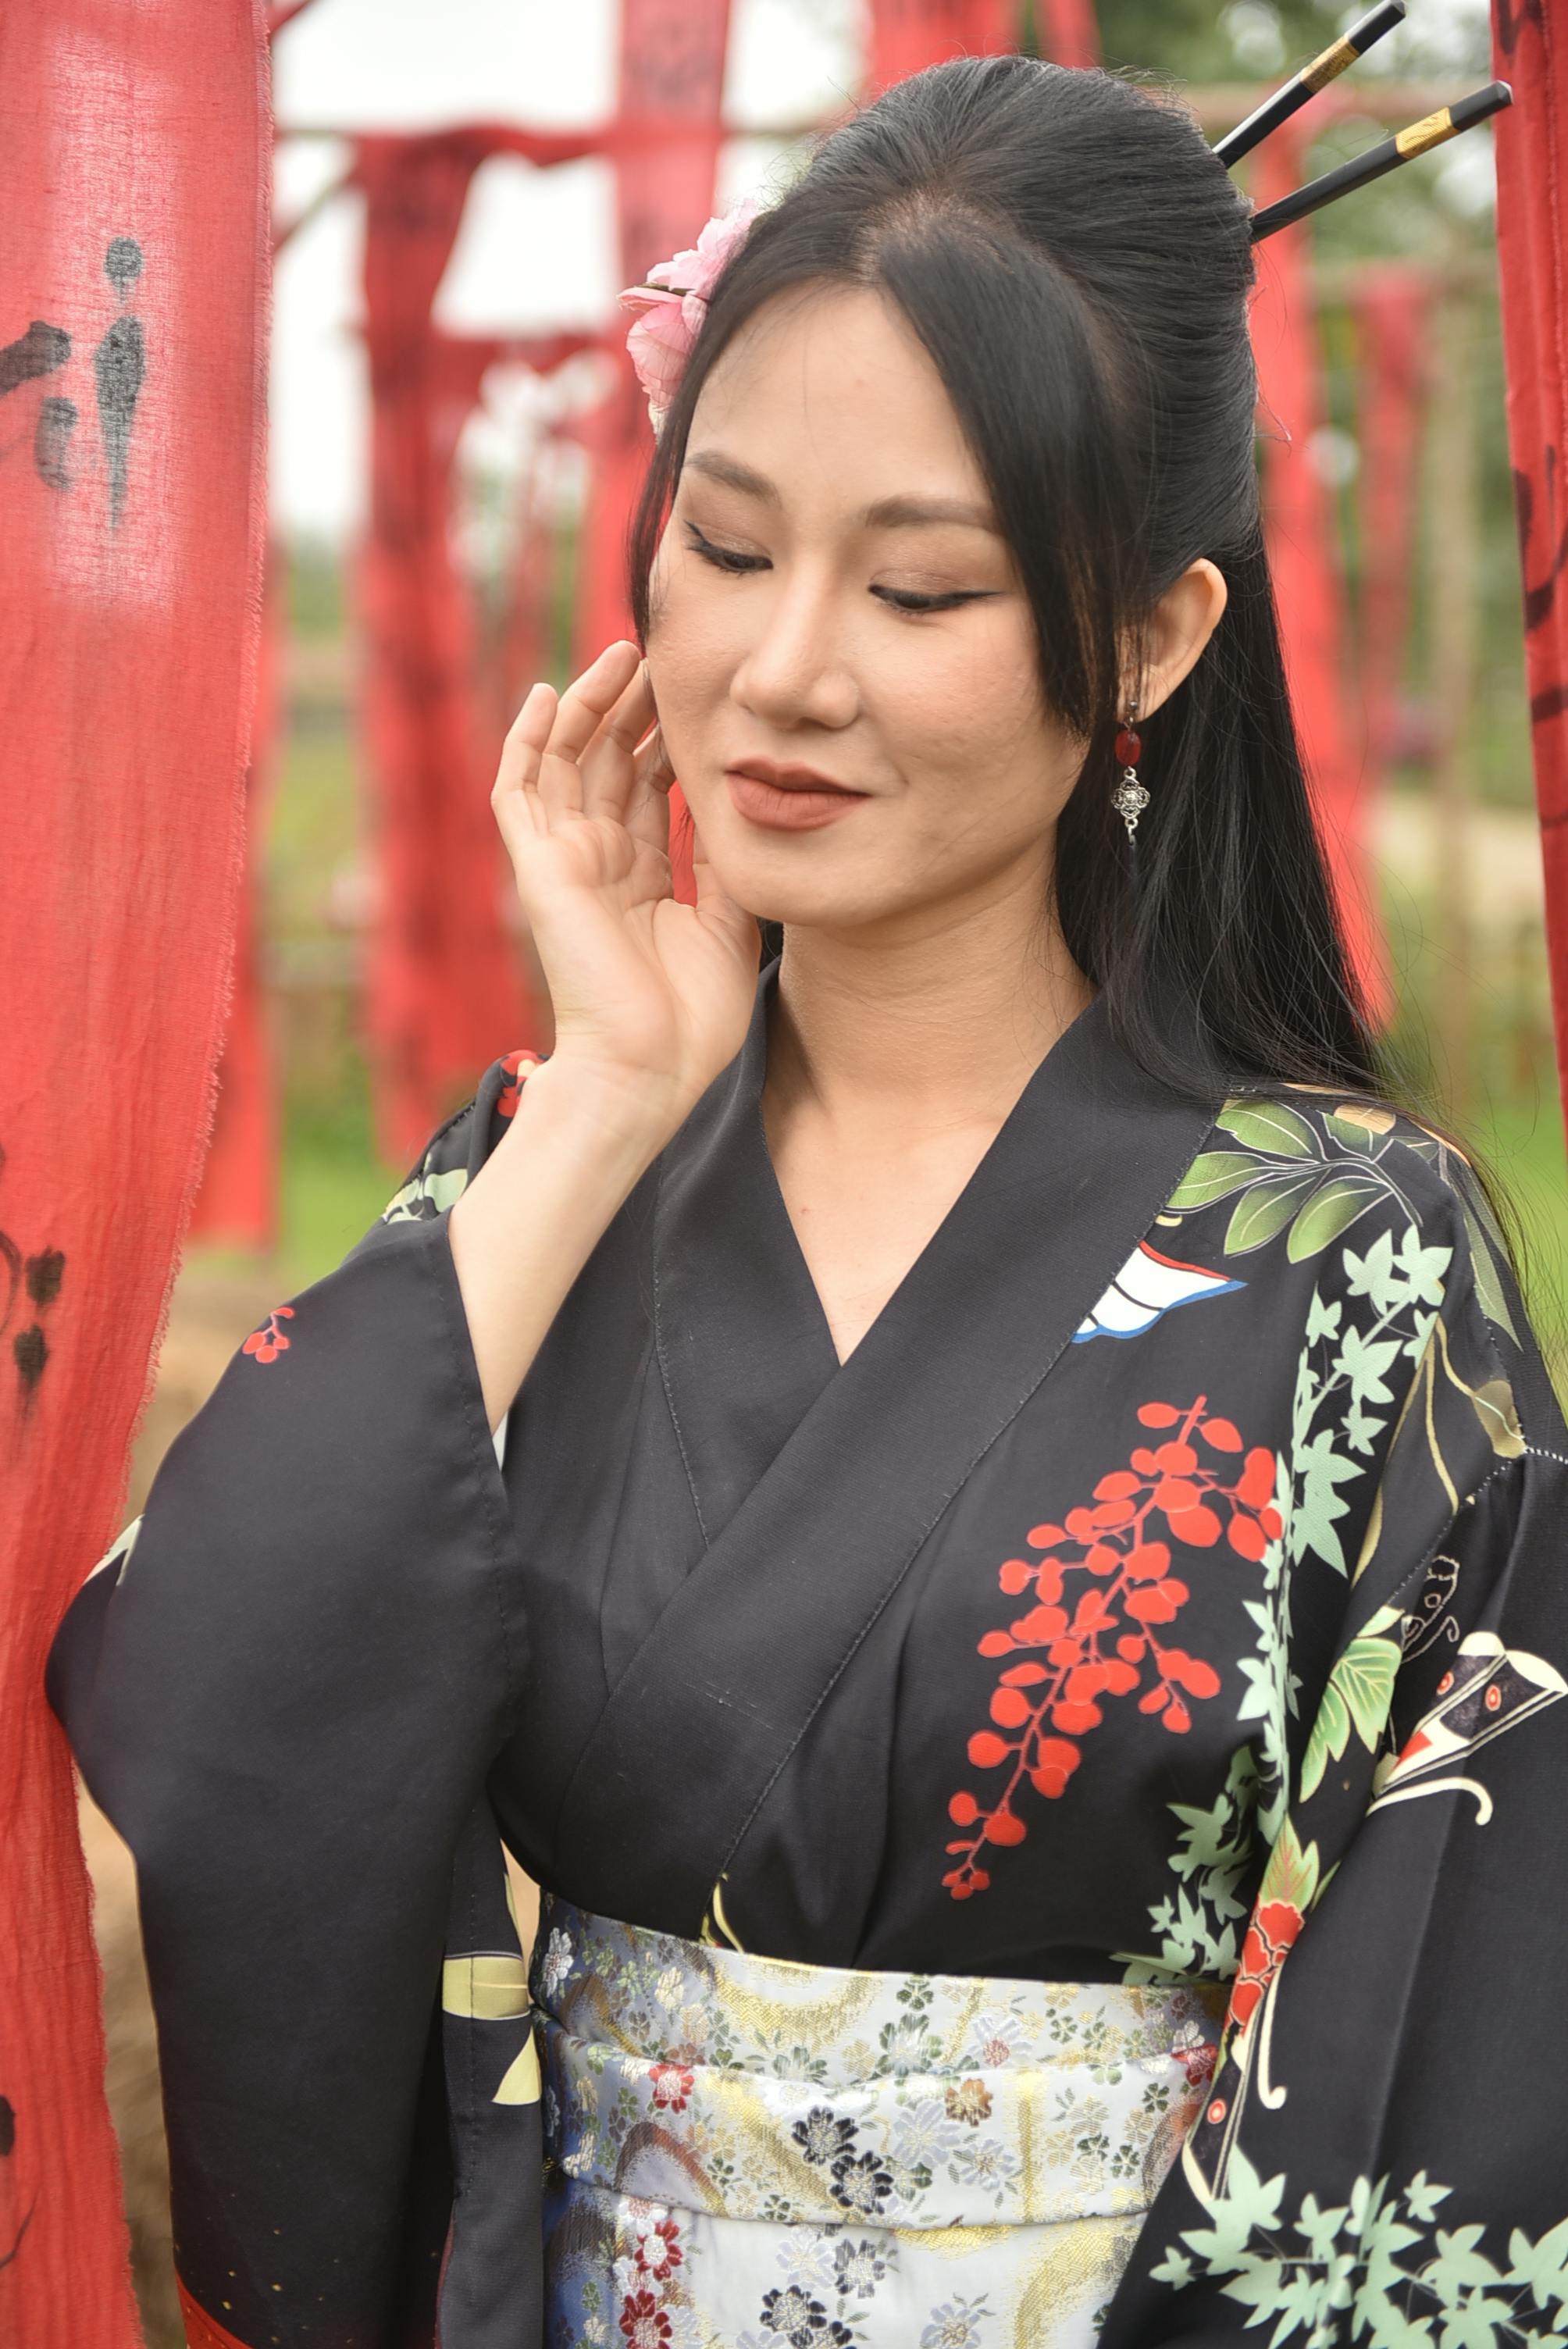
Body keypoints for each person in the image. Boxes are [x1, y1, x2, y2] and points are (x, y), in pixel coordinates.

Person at [48, 52, 1568, 2349]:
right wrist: (609, 1090)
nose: (780, 671)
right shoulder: (548, 1183)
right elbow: (206, 1692)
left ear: (1150, 640)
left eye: (923, 586)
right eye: (730, 547)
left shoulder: (1356, 1254)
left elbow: (1475, 2005)